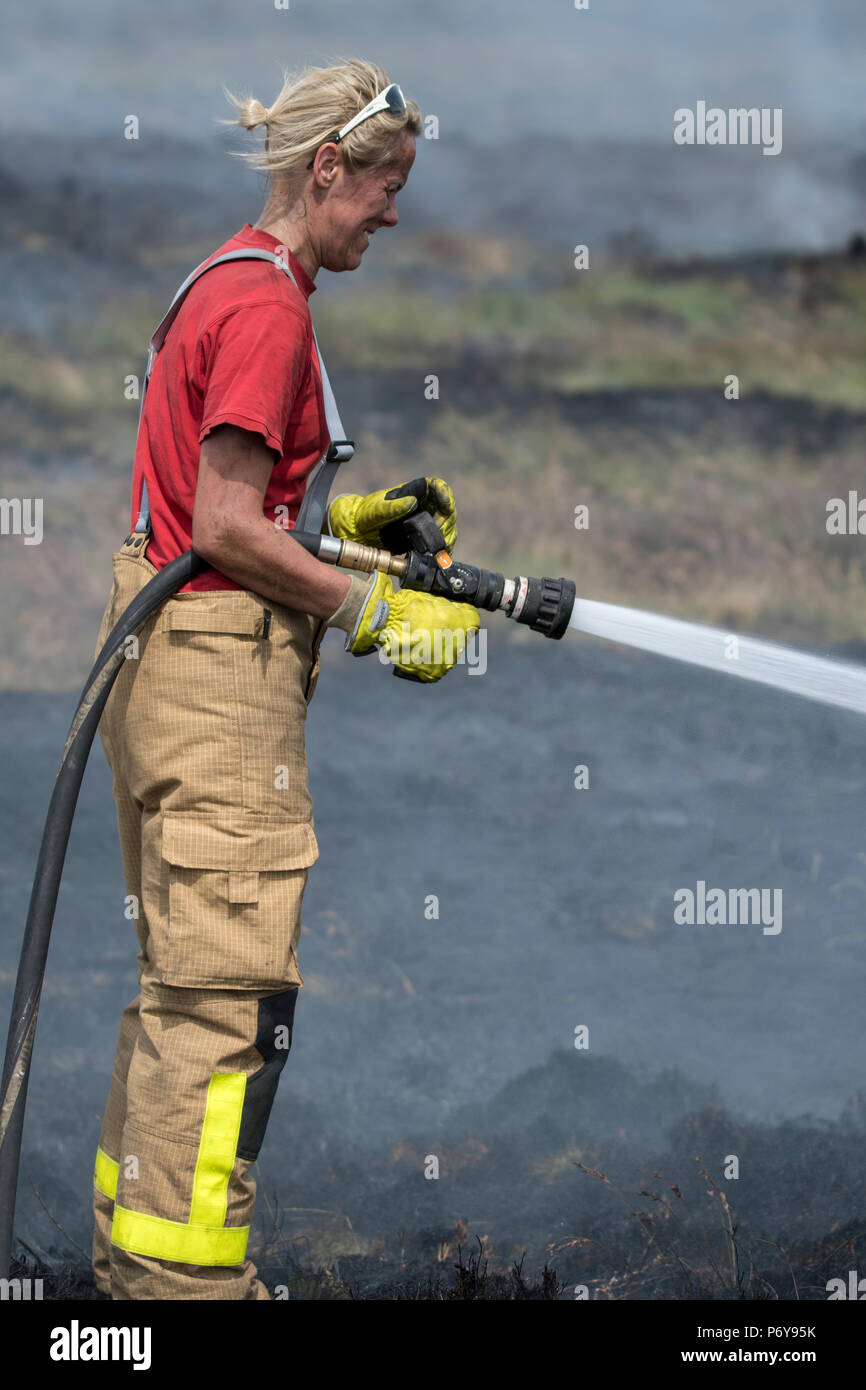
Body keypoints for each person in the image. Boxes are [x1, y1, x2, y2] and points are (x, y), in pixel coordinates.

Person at [90, 57, 480, 1301]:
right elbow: (219, 526)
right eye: (383, 186)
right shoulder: (268, 311)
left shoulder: (223, 278)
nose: (392, 213)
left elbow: (224, 497)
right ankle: (184, 1297)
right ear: (327, 170)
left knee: (179, 992)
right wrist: (368, 610)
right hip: (217, 696)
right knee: (227, 1015)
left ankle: (131, 1265)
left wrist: (344, 512)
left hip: (160, 674)